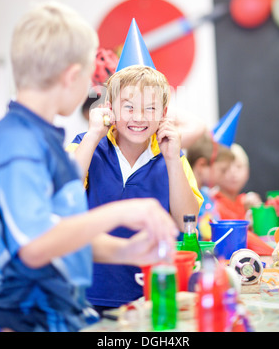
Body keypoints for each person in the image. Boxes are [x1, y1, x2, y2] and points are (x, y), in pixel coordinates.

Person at [0, 1, 178, 333]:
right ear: (73, 76)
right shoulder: (19, 143)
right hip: (28, 319)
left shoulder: (42, 138)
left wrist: (126, 251)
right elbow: (34, 247)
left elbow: (57, 232)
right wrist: (120, 213)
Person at [68, 64, 204, 312]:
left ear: (163, 113)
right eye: (128, 107)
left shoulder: (173, 155)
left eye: (150, 108)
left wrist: (172, 159)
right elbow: (64, 194)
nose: (139, 117)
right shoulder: (86, 144)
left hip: (151, 293)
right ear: (110, 109)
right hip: (87, 292)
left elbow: (189, 223)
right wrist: (92, 134)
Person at [186, 131, 235, 239]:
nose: (225, 176)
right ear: (201, 165)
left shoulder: (207, 197)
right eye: (223, 170)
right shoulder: (183, 196)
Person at [211, 143, 262, 220]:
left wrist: (258, 210)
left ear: (248, 171)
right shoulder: (212, 202)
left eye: (239, 166)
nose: (233, 173)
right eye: (226, 168)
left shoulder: (245, 202)